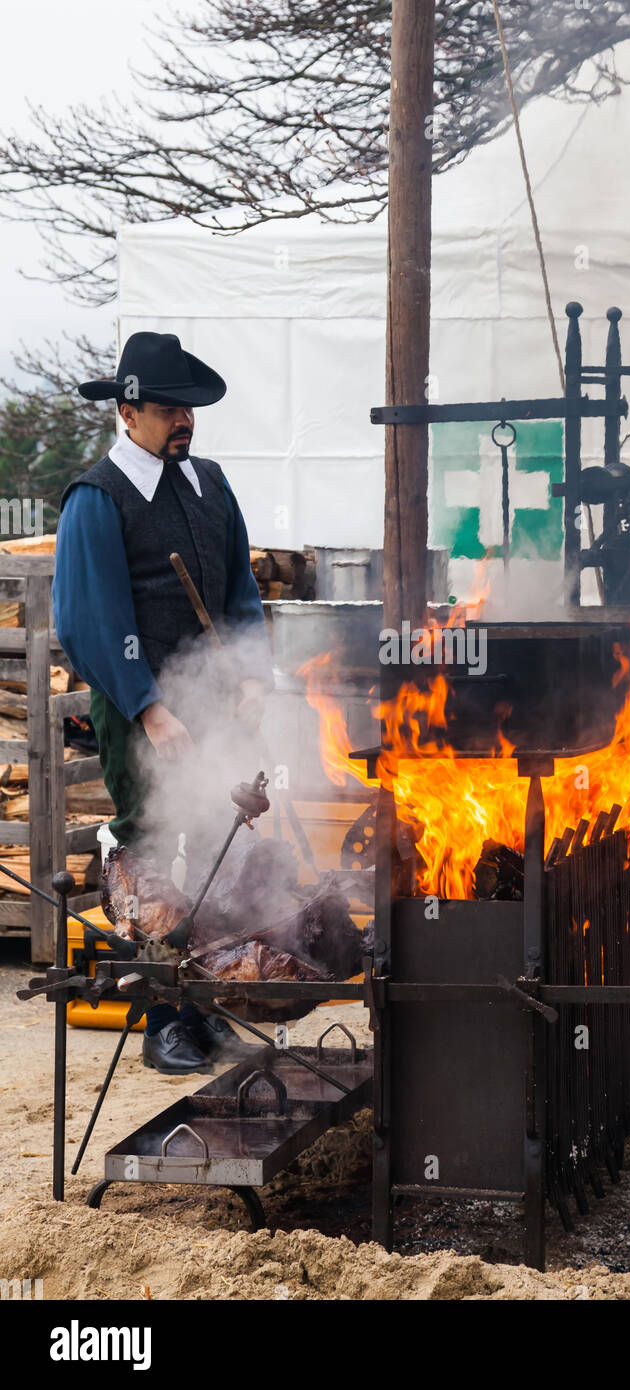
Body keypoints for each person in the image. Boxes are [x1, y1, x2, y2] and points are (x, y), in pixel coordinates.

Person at [53, 331, 272, 1073]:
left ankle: (204, 1006)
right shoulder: (96, 498)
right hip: (136, 703)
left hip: (212, 701)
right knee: (148, 849)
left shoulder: (209, 483)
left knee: (216, 844)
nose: (184, 420)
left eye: (190, 408)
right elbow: (89, 618)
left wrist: (250, 673)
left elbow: (241, 592)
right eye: (169, 408)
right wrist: (149, 705)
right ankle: (161, 1020)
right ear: (128, 411)